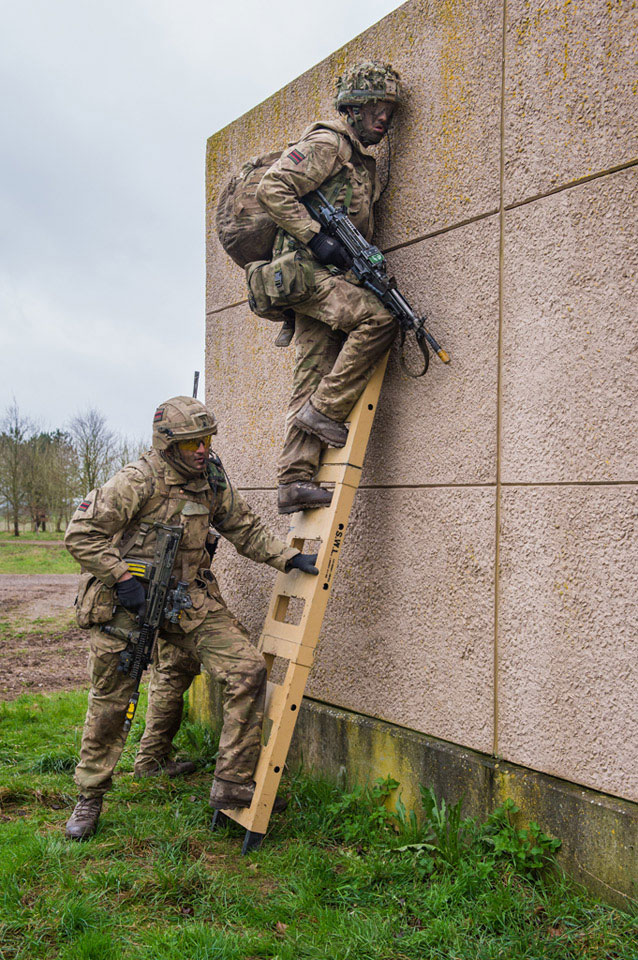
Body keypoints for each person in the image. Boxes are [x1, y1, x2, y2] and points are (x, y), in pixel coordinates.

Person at [64, 396, 318, 840]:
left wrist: (289, 558)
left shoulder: (211, 480)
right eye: (190, 443)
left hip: (186, 602)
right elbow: (80, 533)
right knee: (111, 702)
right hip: (127, 607)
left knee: (247, 669)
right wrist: (122, 579)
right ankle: (89, 799)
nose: (201, 449)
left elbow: (243, 527)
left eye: (205, 440)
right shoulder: (136, 481)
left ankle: (231, 783)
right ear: (167, 445)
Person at [255, 61, 402, 515]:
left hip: (325, 276)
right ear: (353, 107)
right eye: (376, 107)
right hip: (305, 270)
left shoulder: (362, 161)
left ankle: (293, 479)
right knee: (380, 320)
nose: (384, 119)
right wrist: (315, 238)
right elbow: (272, 186)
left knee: (313, 371)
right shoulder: (327, 143)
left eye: (390, 111)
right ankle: (325, 412)